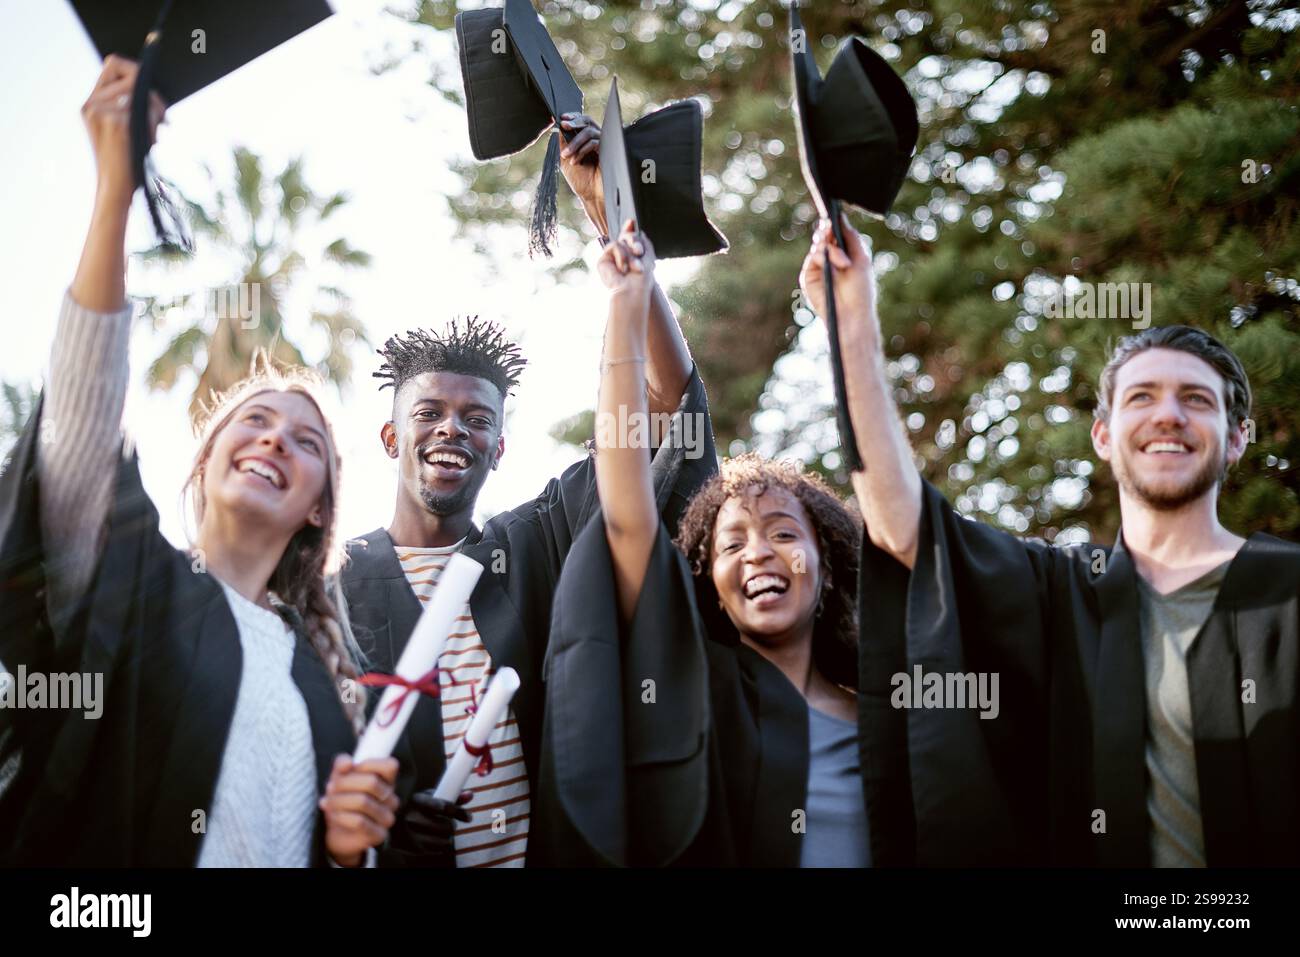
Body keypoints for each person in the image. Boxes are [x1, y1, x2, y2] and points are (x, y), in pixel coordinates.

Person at [0, 57, 399, 868]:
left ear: (322, 506)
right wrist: (116, 191)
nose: (275, 439)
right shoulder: (131, 585)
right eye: (253, 421)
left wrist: (353, 851)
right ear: (205, 459)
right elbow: (80, 422)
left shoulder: (325, 685)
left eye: (306, 440)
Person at [806, 215, 1300, 866]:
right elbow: (907, 528)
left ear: (1236, 439)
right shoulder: (1063, 592)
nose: (1169, 415)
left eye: (1197, 400)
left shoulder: (1288, 590)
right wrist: (852, 330)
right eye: (1142, 396)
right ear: (1103, 435)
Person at [341, 115, 719, 868]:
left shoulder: (535, 544)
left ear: (500, 447)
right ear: (391, 438)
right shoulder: (336, 588)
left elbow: (669, 420)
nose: (453, 430)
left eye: (477, 419)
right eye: (429, 413)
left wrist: (612, 221)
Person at [538, 222, 872, 867]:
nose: (757, 553)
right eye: (731, 544)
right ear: (708, 579)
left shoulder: (885, 706)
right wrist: (626, 310)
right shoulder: (695, 681)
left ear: (826, 566)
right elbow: (628, 510)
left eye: (782, 532)